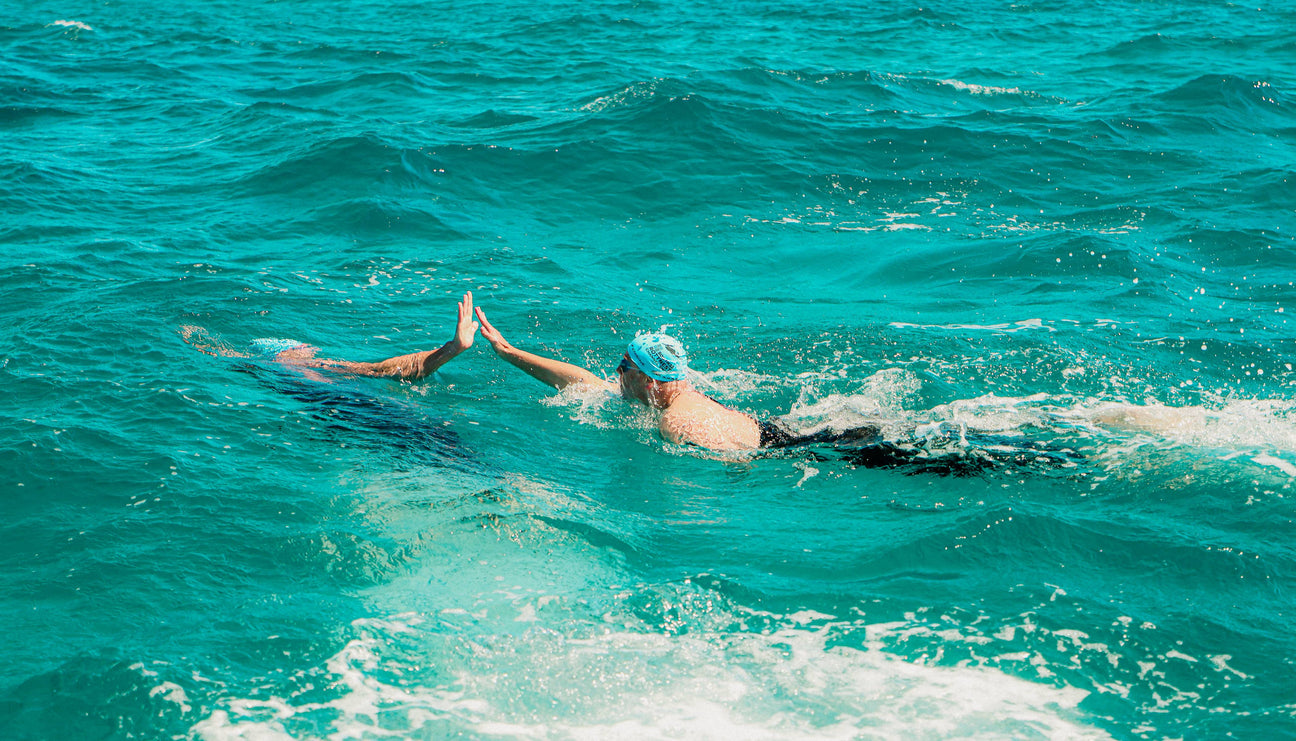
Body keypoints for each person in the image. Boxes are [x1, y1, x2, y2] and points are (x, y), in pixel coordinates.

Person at [473, 307, 877, 452]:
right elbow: (581, 382)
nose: (615, 373)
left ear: (649, 382)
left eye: (624, 366)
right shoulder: (668, 394)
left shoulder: (675, 422)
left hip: (808, 450)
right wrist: (508, 352)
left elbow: (747, 459)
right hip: (777, 430)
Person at [181, 291, 480, 381]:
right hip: (366, 418)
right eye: (300, 349)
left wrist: (453, 349)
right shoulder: (306, 370)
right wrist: (451, 350)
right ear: (284, 357)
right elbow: (386, 370)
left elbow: (393, 370)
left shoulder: (300, 375)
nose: (309, 351)